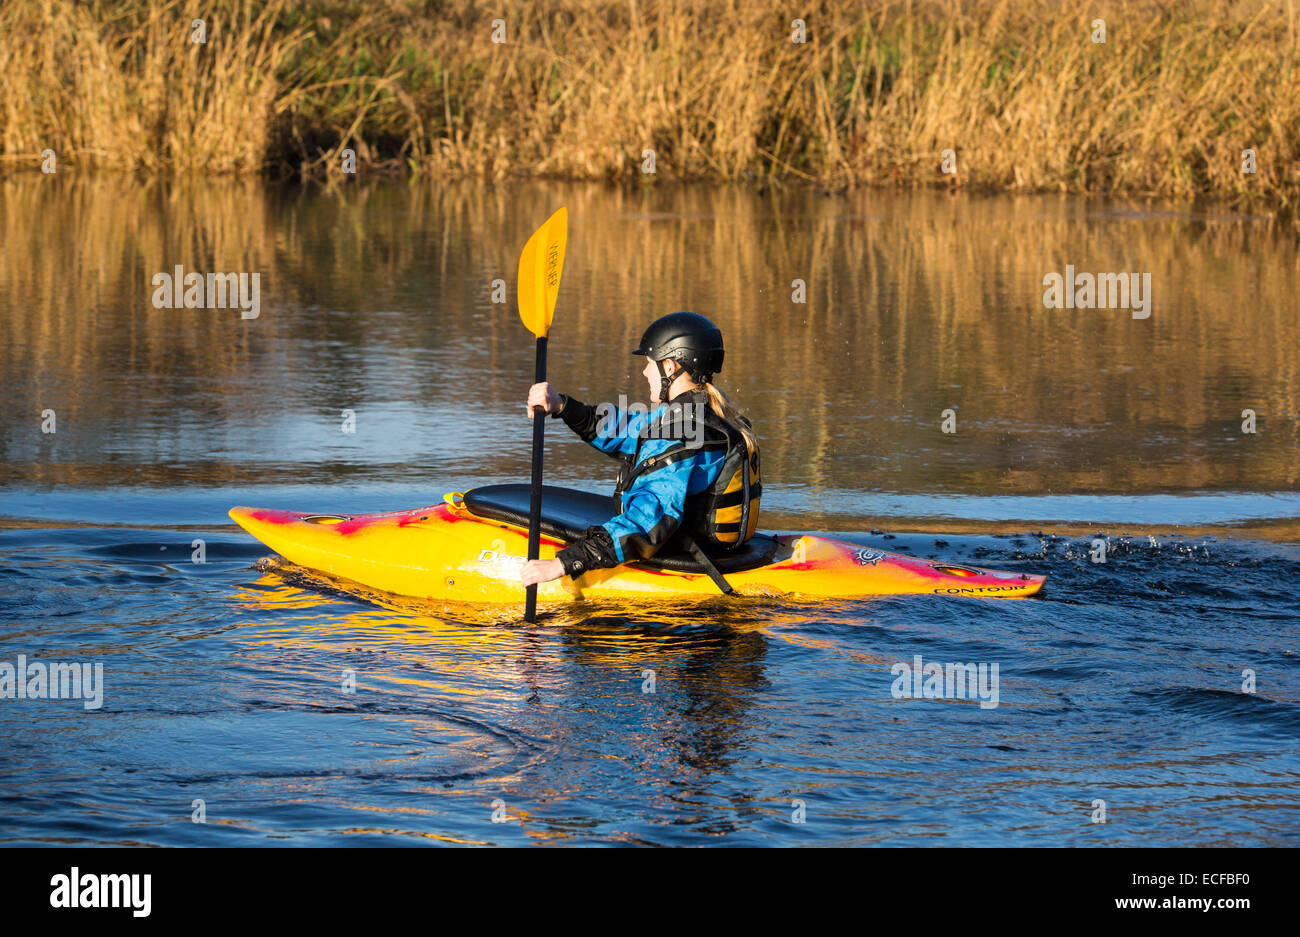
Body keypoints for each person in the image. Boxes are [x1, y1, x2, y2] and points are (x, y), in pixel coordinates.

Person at [520, 311, 761, 587]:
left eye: (649, 363)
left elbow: (646, 520)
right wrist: (562, 406)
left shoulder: (679, 434)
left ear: (669, 367)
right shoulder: (711, 417)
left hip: (692, 562)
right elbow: (628, 428)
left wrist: (563, 562)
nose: (645, 372)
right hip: (723, 550)